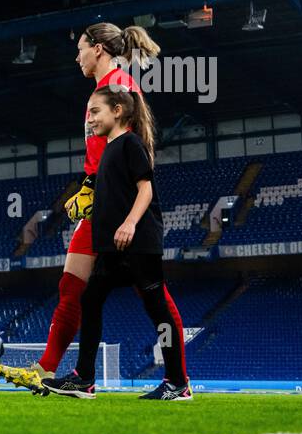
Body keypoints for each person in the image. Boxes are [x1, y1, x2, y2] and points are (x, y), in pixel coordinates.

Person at [0, 23, 188, 394]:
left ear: (98, 49)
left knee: (153, 298)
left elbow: (137, 156)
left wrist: (121, 210)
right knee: (75, 288)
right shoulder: (101, 93)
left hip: (119, 210)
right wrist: (87, 187)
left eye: (81, 48)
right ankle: (55, 371)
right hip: (101, 207)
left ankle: (178, 381)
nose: (76, 56)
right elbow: (99, 158)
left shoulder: (119, 88)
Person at [42, 84, 191, 400]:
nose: (90, 119)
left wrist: (129, 223)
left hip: (138, 243)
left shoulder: (130, 144)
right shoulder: (108, 149)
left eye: (96, 112)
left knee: (157, 309)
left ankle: (178, 383)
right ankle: (84, 379)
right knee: (90, 299)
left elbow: (146, 189)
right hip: (112, 247)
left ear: (118, 111)